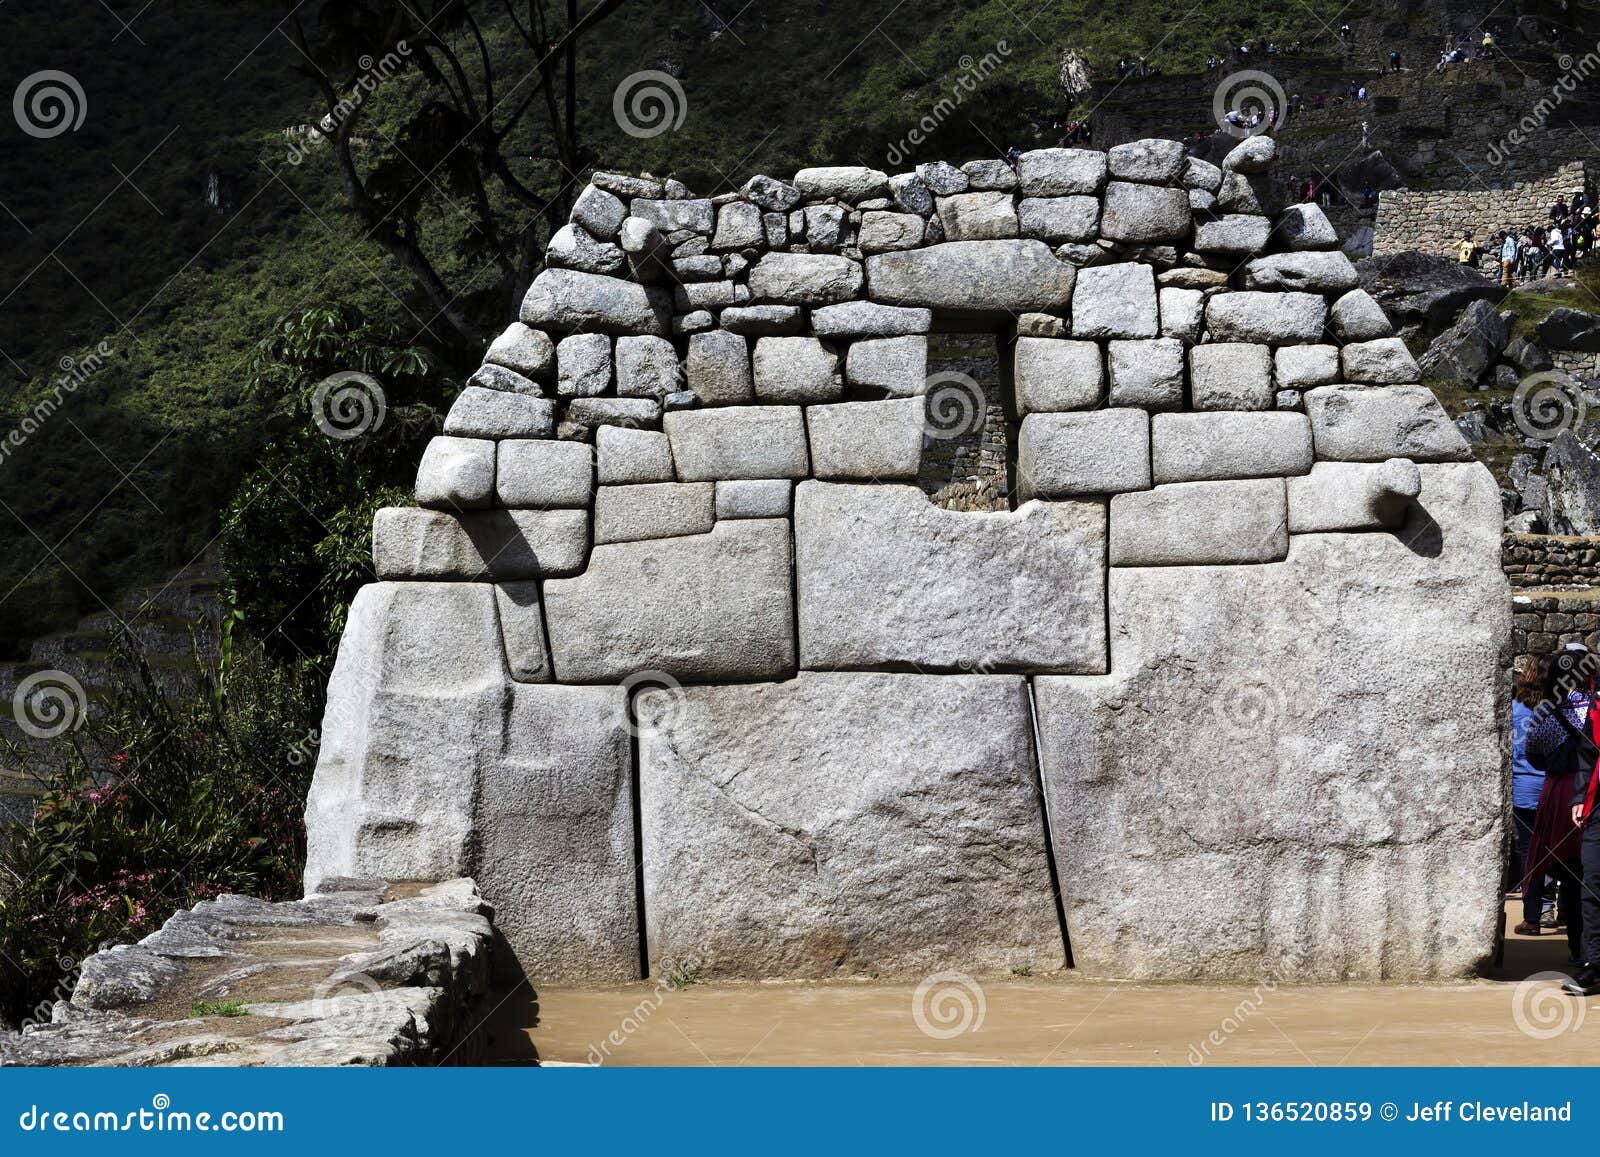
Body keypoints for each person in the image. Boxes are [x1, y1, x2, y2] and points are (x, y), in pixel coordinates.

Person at [1522, 653, 1587, 963]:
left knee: (1571, 873)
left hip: (1559, 791)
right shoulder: (1594, 708)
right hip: (1589, 791)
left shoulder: (1544, 714)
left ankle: (1579, 947)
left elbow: (1532, 754)